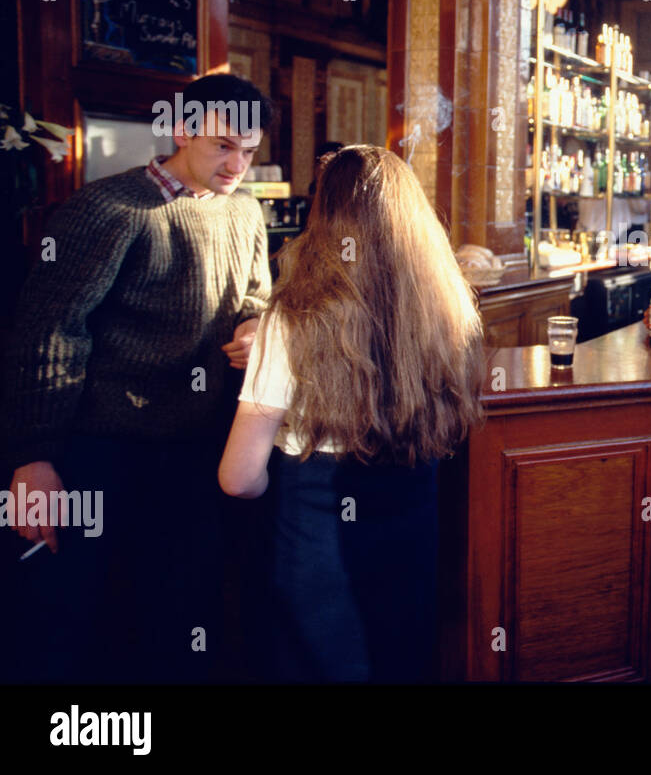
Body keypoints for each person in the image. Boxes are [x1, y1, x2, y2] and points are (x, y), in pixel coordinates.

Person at [3, 73, 273, 682]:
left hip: (199, 446)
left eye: (250, 150)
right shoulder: (107, 209)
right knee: (73, 618)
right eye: (222, 146)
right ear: (182, 131)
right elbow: (49, 329)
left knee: (179, 615)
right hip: (103, 448)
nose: (238, 163)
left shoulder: (246, 211)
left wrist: (255, 328)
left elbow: (257, 297)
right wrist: (33, 457)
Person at [218, 145, 485, 683]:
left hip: (313, 547)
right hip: (412, 534)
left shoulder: (290, 322)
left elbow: (238, 478)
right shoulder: (451, 313)